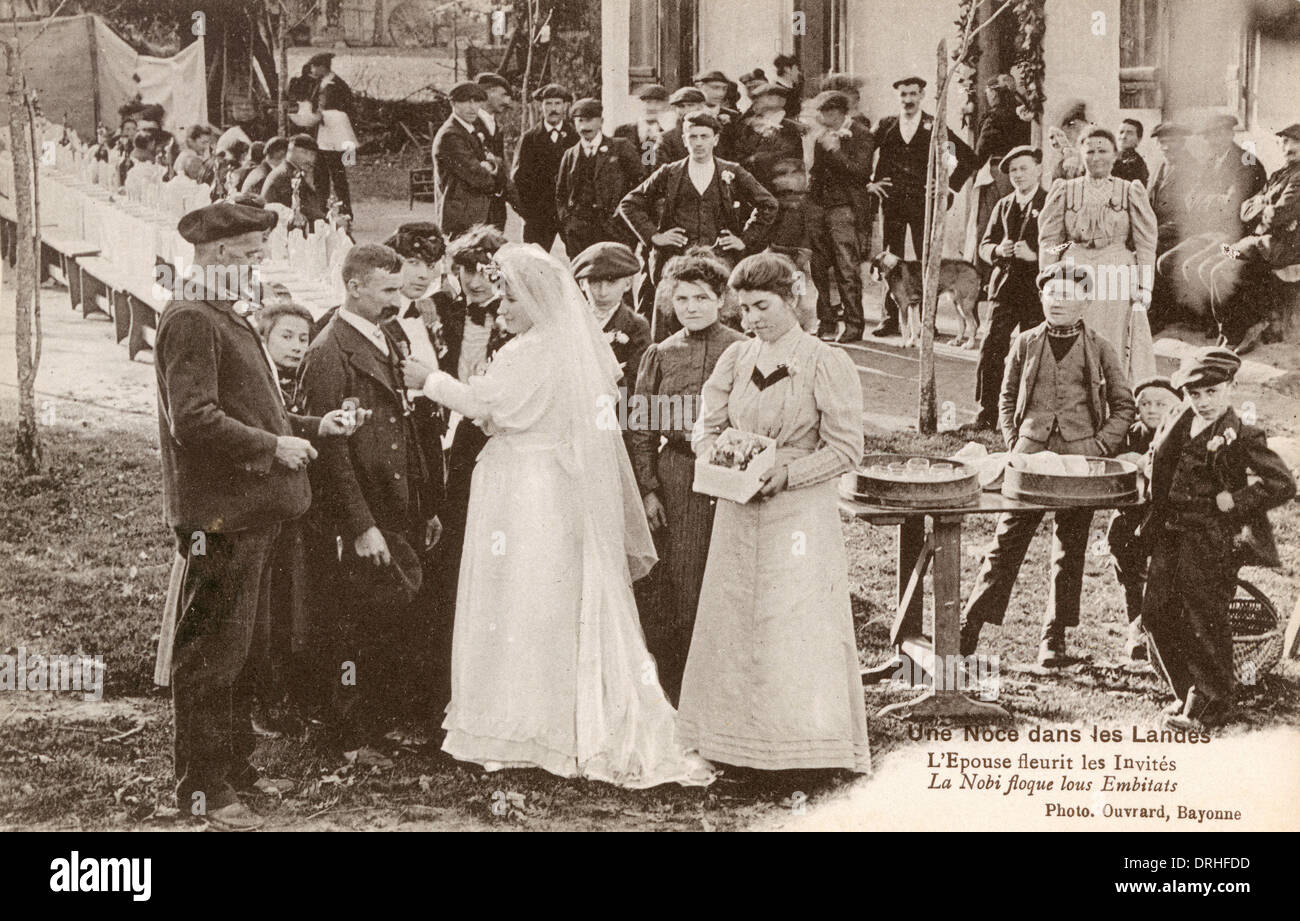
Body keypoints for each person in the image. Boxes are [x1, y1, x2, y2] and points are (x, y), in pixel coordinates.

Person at [400, 243, 714, 788]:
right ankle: (537, 720)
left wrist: (428, 378)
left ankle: (529, 725)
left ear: (539, 301)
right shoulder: (553, 346)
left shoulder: (532, 351)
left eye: (511, 298)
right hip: (543, 482)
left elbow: (488, 407)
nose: (500, 307)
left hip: (528, 486)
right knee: (540, 591)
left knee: (525, 592)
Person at [155, 201, 359, 830]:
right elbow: (193, 419)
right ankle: (202, 789)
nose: (258, 266)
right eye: (248, 256)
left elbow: (252, 408)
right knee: (212, 654)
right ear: (216, 257)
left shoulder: (222, 313)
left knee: (243, 651)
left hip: (253, 511)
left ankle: (234, 768)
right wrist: (275, 447)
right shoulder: (191, 318)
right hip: (223, 518)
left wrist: (306, 426)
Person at [676, 252, 868, 773]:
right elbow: (706, 425)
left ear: (795, 294)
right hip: (738, 508)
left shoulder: (825, 361)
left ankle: (803, 750)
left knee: (793, 624)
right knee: (735, 621)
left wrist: (787, 473)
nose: (752, 319)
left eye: (762, 306)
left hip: (798, 514)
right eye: (743, 310)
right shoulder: (736, 359)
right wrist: (717, 456)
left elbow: (848, 449)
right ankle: (733, 745)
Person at [297, 244, 446, 758]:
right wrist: (360, 525)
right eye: (385, 290)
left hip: (395, 503)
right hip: (359, 510)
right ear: (353, 286)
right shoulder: (327, 353)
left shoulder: (386, 337)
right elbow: (329, 452)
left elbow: (408, 427)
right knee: (351, 623)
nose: (395, 299)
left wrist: (424, 506)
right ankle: (346, 734)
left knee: (384, 618)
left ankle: (374, 723)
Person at [959, 263, 1136, 667]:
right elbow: (1005, 399)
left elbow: (1125, 405)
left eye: (1068, 295)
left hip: (1079, 461)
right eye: (1051, 294)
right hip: (1029, 459)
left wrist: (1098, 445)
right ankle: (969, 626)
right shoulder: (1024, 342)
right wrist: (1015, 443)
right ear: (1041, 298)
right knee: (1006, 542)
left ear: (1085, 301)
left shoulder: (1100, 346)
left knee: (1069, 550)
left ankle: (1053, 638)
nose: (1058, 301)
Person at [1141, 347, 1295, 730]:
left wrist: (1236, 500)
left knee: (1204, 618)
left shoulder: (1242, 433)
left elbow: (1282, 484)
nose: (1204, 402)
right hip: (1169, 532)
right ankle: (1187, 692)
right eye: (1196, 393)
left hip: (1209, 539)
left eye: (1213, 392)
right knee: (1156, 614)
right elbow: (1160, 458)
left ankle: (1211, 706)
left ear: (1231, 387)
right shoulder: (1177, 418)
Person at [628, 252, 745, 703]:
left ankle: (729, 679)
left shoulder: (740, 348)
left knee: (730, 574)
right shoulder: (660, 354)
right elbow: (641, 426)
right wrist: (648, 488)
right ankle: (680, 685)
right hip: (678, 474)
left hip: (733, 473)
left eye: (702, 297)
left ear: (721, 300)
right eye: (681, 299)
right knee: (681, 577)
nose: (692, 307)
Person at [426, 225, 511, 615]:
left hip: (488, 433)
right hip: (442, 426)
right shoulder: (442, 309)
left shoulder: (515, 318)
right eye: (467, 271)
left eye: (484, 271)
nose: (475, 281)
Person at [618, 111, 778, 316]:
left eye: (705, 136)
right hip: (675, 259)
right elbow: (629, 203)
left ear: (716, 139)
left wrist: (745, 240)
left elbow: (768, 204)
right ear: (684, 140)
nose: (699, 143)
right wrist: (655, 236)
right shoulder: (670, 172)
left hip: (719, 258)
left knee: (723, 313)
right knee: (670, 314)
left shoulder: (731, 171)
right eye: (693, 136)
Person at [1038, 127, 1159, 384]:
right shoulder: (1065, 190)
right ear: (1081, 155)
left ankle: (1112, 401)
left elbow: (1146, 243)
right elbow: (1051, 241)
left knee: (1112, 339)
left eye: (1103, 151)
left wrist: (1145, 286)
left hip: (1116, 271)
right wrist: (1048, 276)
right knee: (1073, 334)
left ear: (1115, 155)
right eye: (1090, 151)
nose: (1096, 157)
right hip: (1074, 270)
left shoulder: (1129, 191)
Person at [869, 75, 977, 337]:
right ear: (898, 96)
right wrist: (868, 183)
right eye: (903, 94)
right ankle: (891, 318)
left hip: (922, 204)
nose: (908, 99)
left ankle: (929, 320)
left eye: (913, 94)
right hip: (893, 202)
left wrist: (946, 186)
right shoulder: (886, 126)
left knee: (925, 260)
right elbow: (862, 151)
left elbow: (965, 158)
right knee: (889, 258)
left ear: (922, 96)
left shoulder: (935, 126)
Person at [1197, 124, 1300, 353]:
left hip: (1281, 248)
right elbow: (1245, 210)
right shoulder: (1279, 174)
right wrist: (1265, 205)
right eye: (1284, 143)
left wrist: (1263, 205)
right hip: (1260, 242)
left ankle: (1237, 331)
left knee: (1220, 271)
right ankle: (1232, 328)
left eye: (1295, 144)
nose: (1288, 147)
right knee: (1215, 260)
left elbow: (1279, 215)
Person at [973, 145, 1047, 430]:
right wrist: (996, 250)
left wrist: (1037, 255)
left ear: (1038, 169)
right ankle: (986, 411)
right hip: (1003, 287)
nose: (1017, 175)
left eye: (1023, 168)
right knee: (992, 346)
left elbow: (1067, 244)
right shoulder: (1003, 204)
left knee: (1033, 351)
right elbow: (983, 245)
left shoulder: (1051, 200)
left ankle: (1028, 413)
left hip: (1036, 290)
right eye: (1013, 170)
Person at [1108, 376, 1181, 660]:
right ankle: (1136, 627)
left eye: (1160, 404)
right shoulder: (1132, 433)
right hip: (1132, 516)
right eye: (1145, 404)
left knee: (1164, 575)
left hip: (1166, 516)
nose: (1151, 410)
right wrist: (1128, 457)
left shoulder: (1180, 433)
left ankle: (1160, 631)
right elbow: (1115, 458)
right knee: (1129, 566)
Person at [808, 90, 874, 343]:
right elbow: (816, 171)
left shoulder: (862, 135)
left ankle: (854, 325)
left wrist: (836, 151)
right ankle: (826, 322)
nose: (821, 117)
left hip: (846, 209)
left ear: (838, 113)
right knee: (819, 267)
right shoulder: (822, 136)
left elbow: (861, 173)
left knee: (847, 268)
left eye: (825, 113)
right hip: (820, 208)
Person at [553, 98, 642, 258]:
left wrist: (625, 218)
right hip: (580, 233)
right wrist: (568, 222)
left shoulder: (620, 147)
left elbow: (640, 185)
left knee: (616, 276)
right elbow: (561, 194)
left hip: (615, 229)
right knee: (583, 278)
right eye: (579, 121)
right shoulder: (570, 154)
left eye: (589, 120)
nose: (584, 127)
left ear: (601, 121)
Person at [432, 82, 505, 237]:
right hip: (461, 221)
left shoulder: (472, 131)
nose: (472, 108)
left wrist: (491, 166)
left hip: (478, 217)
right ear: (453, 103)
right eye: (466, 102)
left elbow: (495, 166)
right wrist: (494, 171)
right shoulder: (450, 135)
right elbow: (478, 177)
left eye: (477, 102)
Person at [510, 83, 577, 251]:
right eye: (548, 103)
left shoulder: (575, 137)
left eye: (557, 103)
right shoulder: (529, 139)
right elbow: (518, 179)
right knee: (534, 261)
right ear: (541, 107)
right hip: (539, 216)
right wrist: (527, 213)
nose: (553, 109)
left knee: (580, 258)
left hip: (568, 214)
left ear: (565, 106)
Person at [974, 75, 1033, 244]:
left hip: (996, 174)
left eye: (988, 92)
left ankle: (986, 267)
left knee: (989, 223)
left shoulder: (994, 117)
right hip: (1020, 173)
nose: (987, 96)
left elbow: (980, 153)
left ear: (993, 93)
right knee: (1012, 221)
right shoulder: (1022, 113)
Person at [308, 51, 358, 217]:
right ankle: (322, 211)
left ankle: (345, 211)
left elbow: (347, 110)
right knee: (320, 173)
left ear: (323, 67)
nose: (312, 70)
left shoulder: (336, 85)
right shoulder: (322, 83)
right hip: (323, 134)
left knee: (337, 173)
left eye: (314, 67)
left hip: (335, 135)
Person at [261, 134, 326, 229]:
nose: (311, 159)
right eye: (305, 153)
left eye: (313, 155)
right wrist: (328, 220)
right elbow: (305, 211)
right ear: (291, 151)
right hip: (280, 230)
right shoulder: (287, 175)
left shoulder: (287, 171)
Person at [474, 72, 513, 229]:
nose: (507, 101)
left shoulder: (494, 124)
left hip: (495, 211)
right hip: (476, 211)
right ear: (487, 93)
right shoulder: (470, 123)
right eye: (503, 95)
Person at [613, 83, 669, 180]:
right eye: (647, 102)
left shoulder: (667, 135)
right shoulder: (622, 132)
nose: (651, 107)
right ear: (639, 104)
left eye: (657, 103)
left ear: (665, 106)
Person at [654, 86, 708, 168]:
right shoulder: (666, 139)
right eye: (681, 106)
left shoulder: (712, 134)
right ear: (675, 109)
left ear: (701, 106)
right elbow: (661, 171)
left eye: (690, 105)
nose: (686, 110)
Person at [694, 69, 741, 160]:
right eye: (715, 88)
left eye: (724, 89)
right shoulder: (691, 115)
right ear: (700, 87)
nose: (720, 93)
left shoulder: (734, 117)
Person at [1113, 118, 1150, 186]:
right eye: (1121, 132)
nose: (1123, 136)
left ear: (1138, 139)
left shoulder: (1137, 165)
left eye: (1129, 133)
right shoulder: (1111, 156)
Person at [771, 53, 804, 120]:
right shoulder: (779, 91)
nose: (798, 72)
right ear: (787, 69)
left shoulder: (790, 89)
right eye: (796, 69)